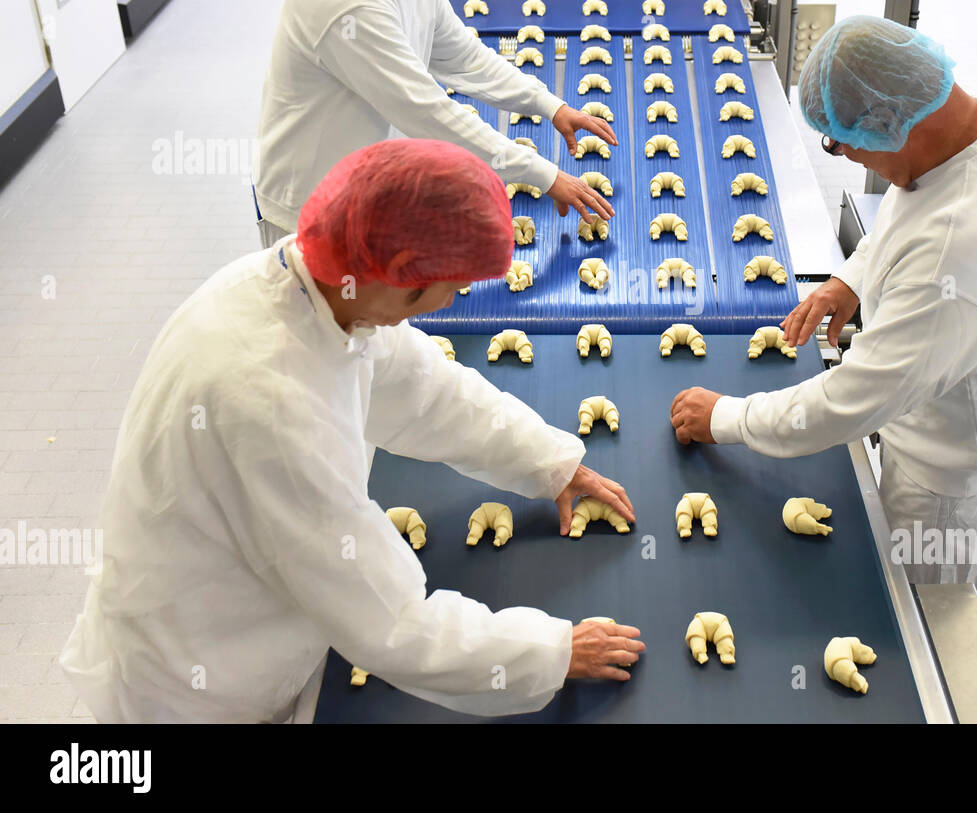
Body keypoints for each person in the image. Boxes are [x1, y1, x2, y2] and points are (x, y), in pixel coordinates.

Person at [61, 139, 643, 722]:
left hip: (253, 619)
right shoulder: (272, 404)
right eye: (454, 285)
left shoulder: (322, 286)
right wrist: (548, 653)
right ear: (399, 276)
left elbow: (422, 389)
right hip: (204, 679)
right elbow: (386, 621)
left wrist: (549, 463)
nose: (450, 301)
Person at [669, 15, 977, 617]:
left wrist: (727, 417)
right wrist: (853, 279)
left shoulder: (965, 244)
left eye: (840, 141)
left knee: (925, 620)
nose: (840, 152)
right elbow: (912, 201)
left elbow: (857, 396)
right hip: (956, 409)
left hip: (947, 484)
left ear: (887, 122)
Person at [253, 0, 617, 248]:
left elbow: (464, 56)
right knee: (334, 308)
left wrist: (549, 105)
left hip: (369, 191)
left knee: (380, 306)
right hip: (313, 211)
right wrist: (542, 174)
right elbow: (425, 110)